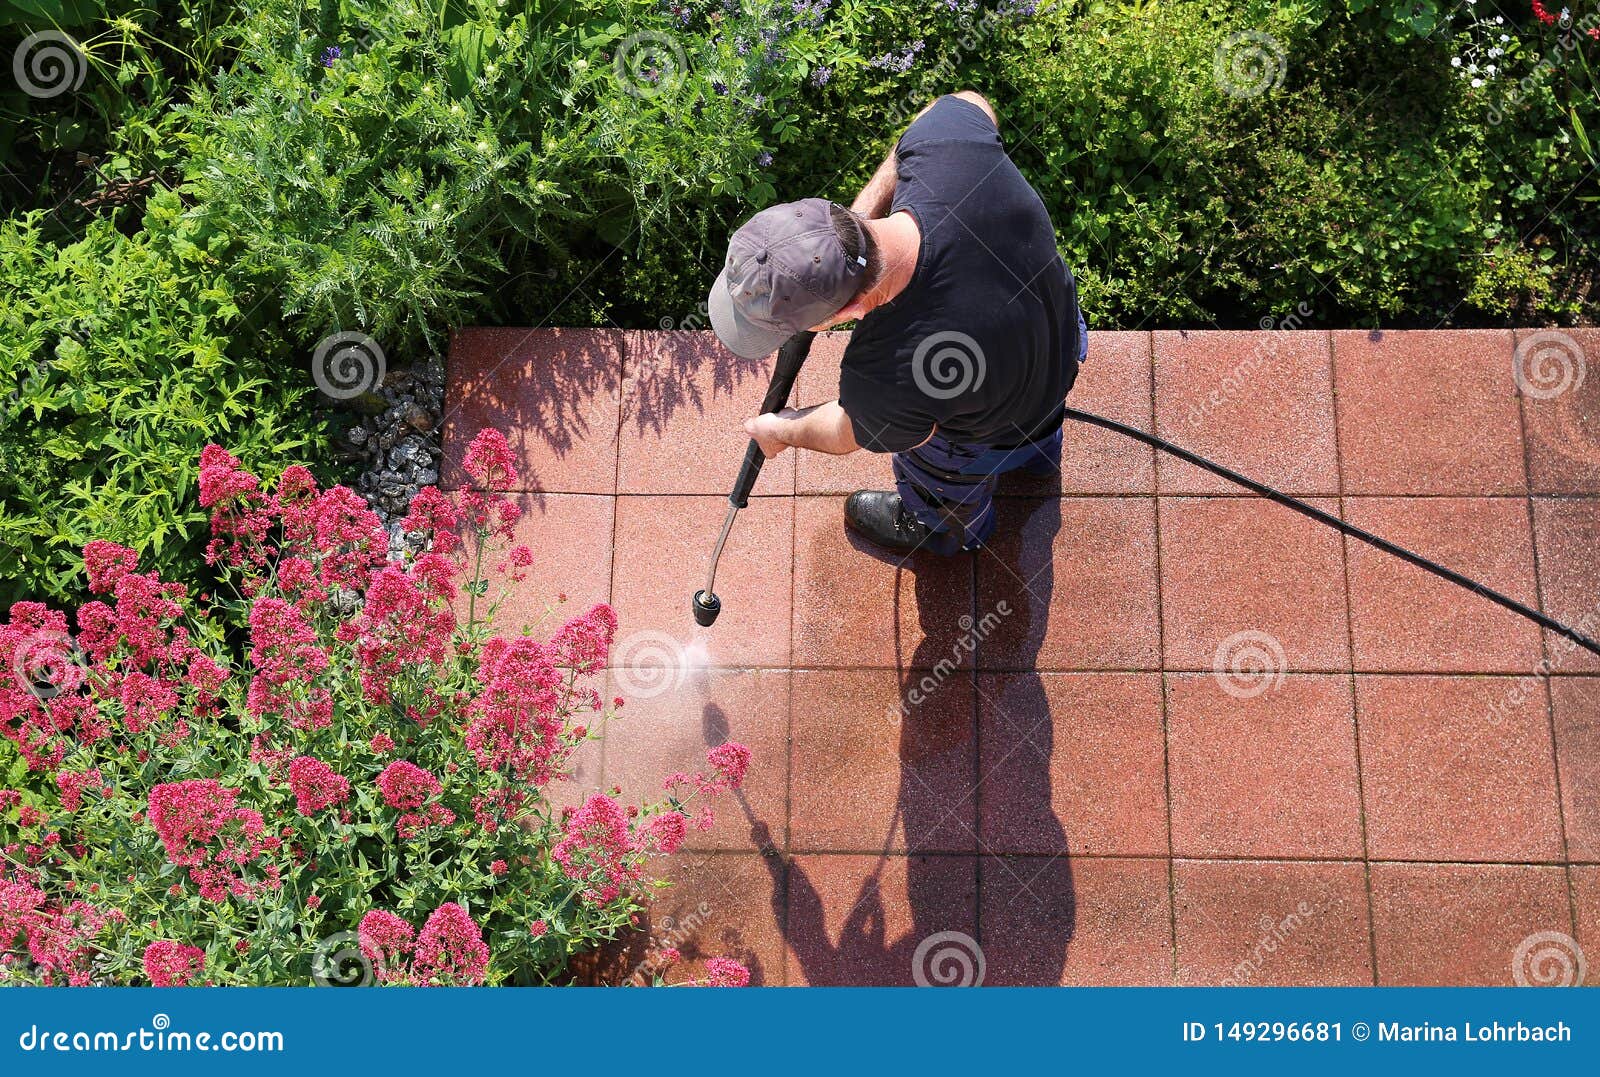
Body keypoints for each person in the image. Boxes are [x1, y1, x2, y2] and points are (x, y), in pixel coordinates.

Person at [706, 90, 1086, 554]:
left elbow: (848, 431)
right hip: (1060, 341)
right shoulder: (946, 145)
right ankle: (1040, 455)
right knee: (1036, 417)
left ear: (842, 316)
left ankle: (943, 528)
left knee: (938, 465)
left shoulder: (887, 373)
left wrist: (780, 431)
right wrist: (859, 223)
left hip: (988, 428)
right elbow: (966, 100)